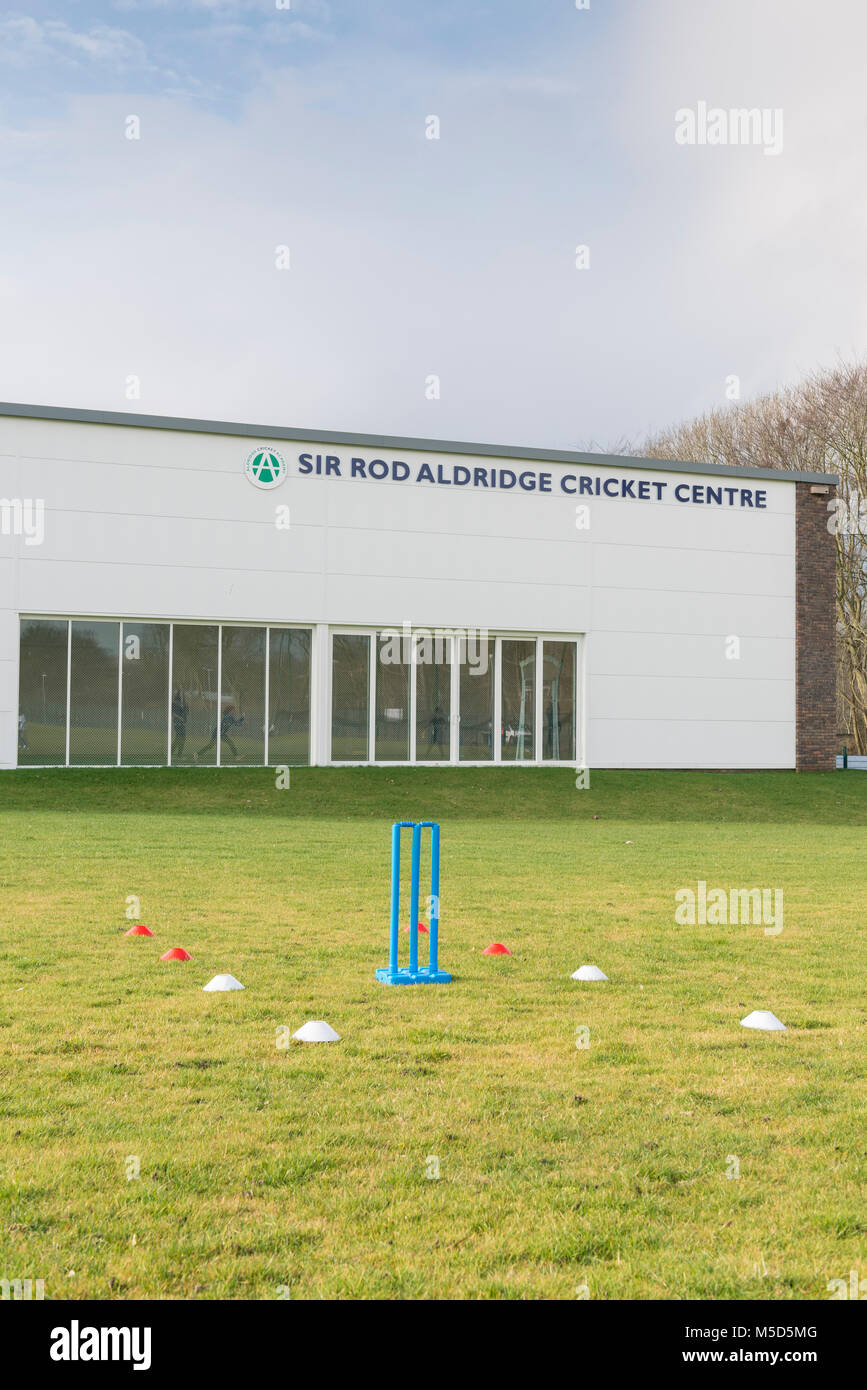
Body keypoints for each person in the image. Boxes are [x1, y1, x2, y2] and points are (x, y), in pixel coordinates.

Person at [171, 689, 189, 761]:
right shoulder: (175, 702)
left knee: (179, 738)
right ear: (178, 694)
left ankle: (173, 754)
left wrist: (186, 714)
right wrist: (180, 718)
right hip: (177, 722)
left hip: (182, 723)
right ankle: (178, 755)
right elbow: (173, 713)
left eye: (183, 693)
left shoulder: (184, 703)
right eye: (180, 693)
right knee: (181, 737)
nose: (182, 695)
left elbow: (187, 711)